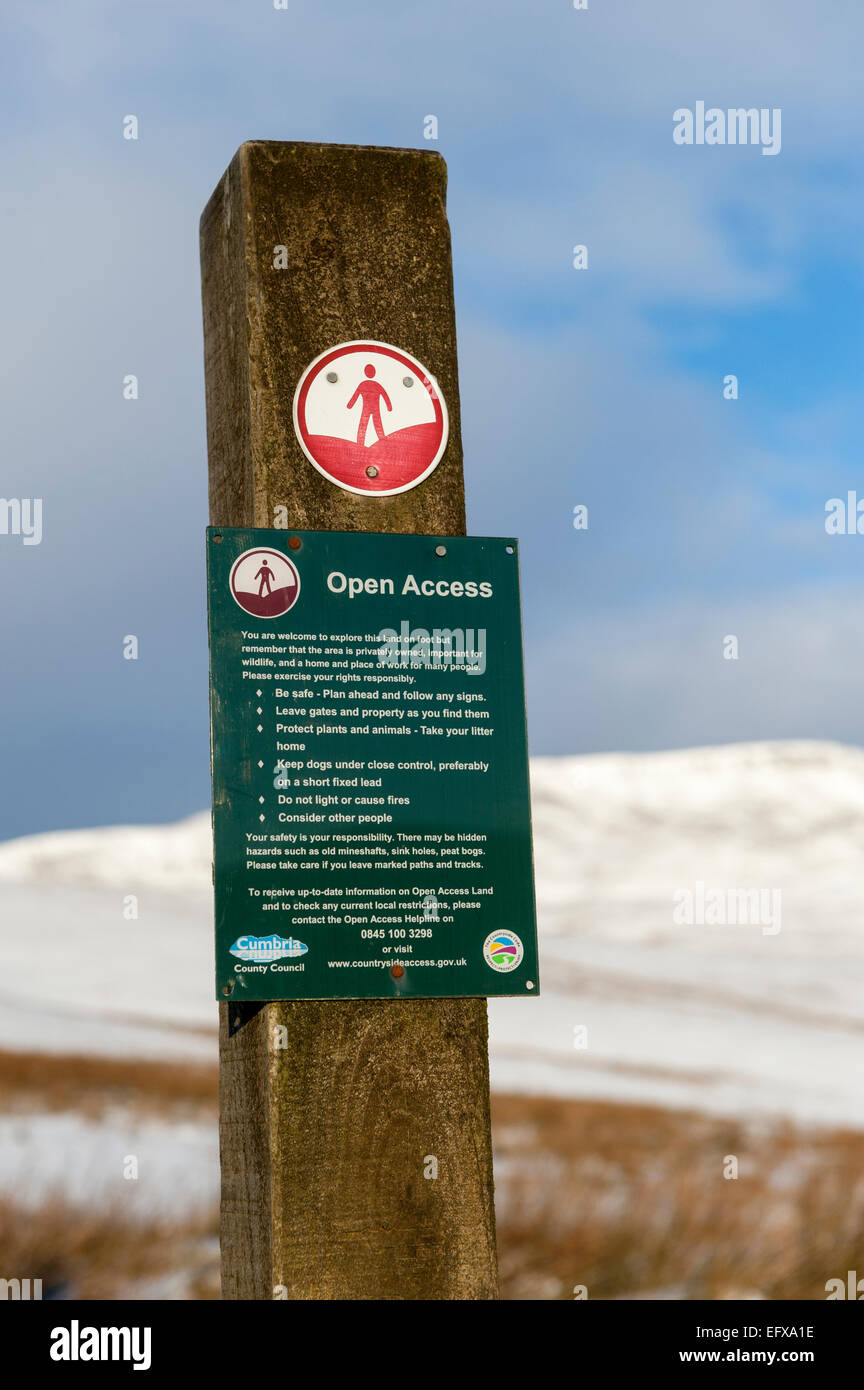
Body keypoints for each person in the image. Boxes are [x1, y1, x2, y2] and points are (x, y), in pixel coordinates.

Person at [347, 364, 391, 445]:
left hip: (371, 409)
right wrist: (389, 407)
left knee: (373, 425)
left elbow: (385, 395)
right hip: (370, 409)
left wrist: (350, 405)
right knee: (370, 425)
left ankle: (364, 443)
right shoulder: (372, 384)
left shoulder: (366, 384)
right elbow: (355, 396)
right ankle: (361, 443)